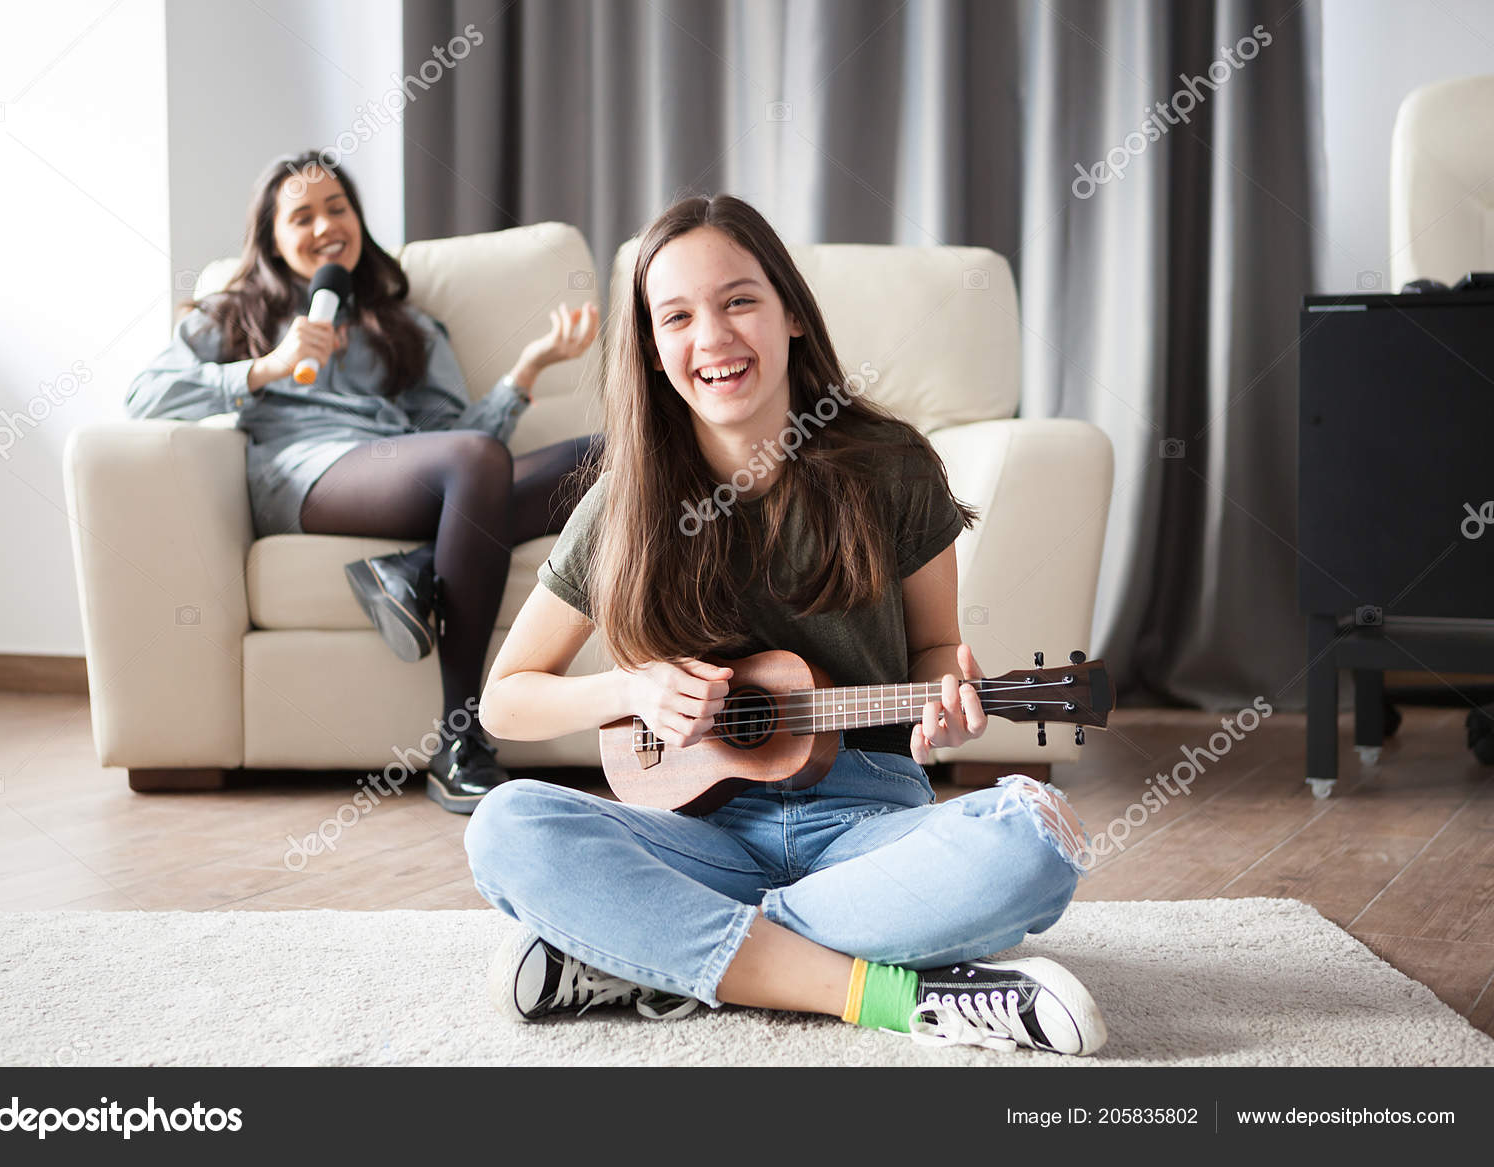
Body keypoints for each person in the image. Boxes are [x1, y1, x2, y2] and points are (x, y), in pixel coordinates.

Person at [465, 194, 1106, 1055]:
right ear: (653, 351)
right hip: (700, 836)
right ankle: (876, 991)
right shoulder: (622, 503)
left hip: (870, 825)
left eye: (739, 301)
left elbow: (932, 651)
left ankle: (657, 949)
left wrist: (948, 699)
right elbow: (503, 702)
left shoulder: (891, 467)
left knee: (1035, 836)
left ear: (792, 314)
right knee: (506, 828)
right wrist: (633, 686)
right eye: (678, 317)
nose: (714, 338)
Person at [127, 151, 602, 813]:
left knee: (600, 456)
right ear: (270, 237)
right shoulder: (234, 313)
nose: (325, 225)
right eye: (302, 215)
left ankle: (416, 567)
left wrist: (527, 369)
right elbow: (144, 394)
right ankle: (462, 742)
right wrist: (267, 366)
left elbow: (465, 438)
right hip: (306, 474)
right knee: (471, 463)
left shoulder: (406, 325)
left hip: (410, 471)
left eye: (337, 207)